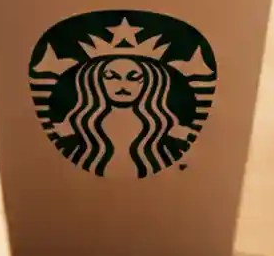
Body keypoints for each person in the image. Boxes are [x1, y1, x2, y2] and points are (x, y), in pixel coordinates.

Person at [51, 56, 196, 178]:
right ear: (96, 82)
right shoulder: (71, 130)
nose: (122, 85)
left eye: (133, 77)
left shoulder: (172, 133)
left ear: (149, 83)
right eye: (111, 77)